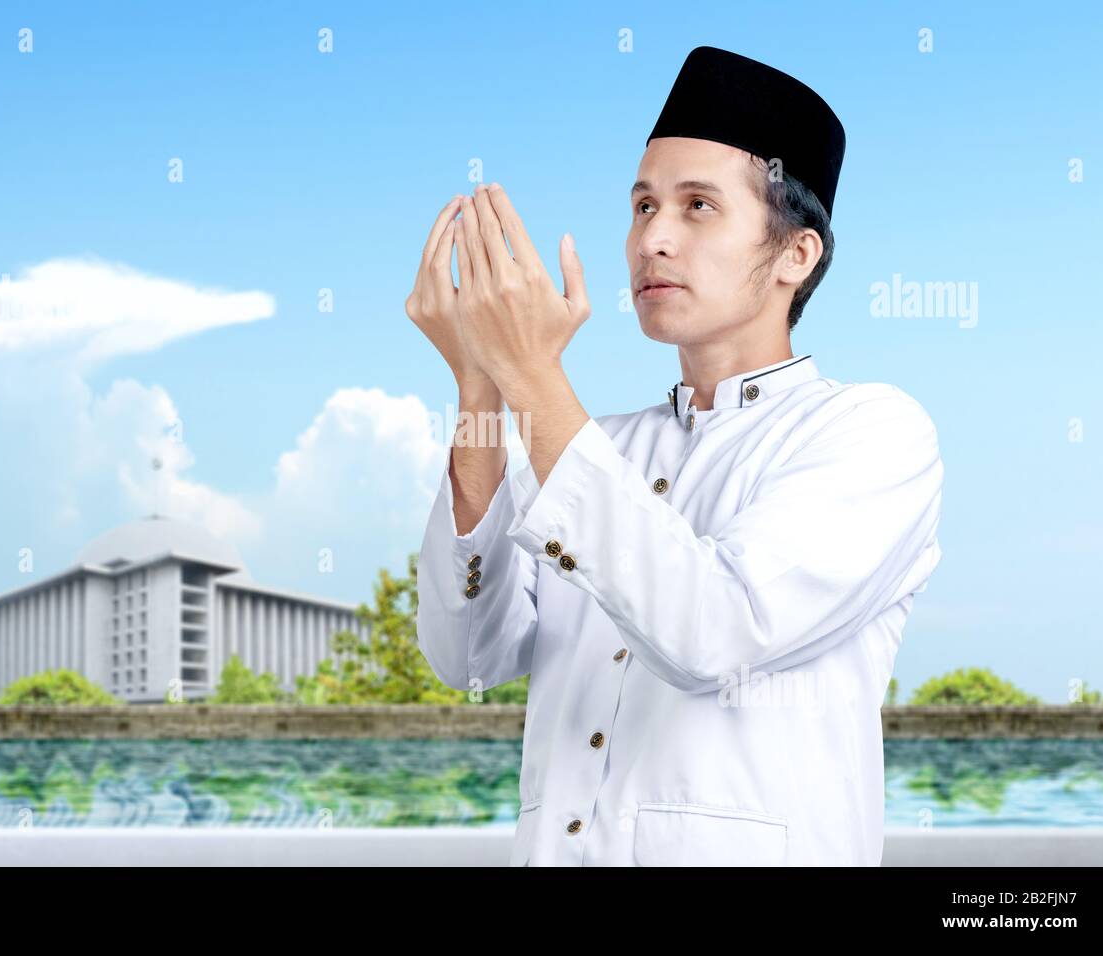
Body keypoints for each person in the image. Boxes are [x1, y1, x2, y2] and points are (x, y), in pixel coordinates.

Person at [404, 46, 944, 866]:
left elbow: (712, 631)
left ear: (795, 256)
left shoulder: (871, 433)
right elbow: (468, 655)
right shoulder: (597, 445)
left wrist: (532, 377)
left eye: (698, 206)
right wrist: (481, 382)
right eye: (642, 205)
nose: (652, 238)